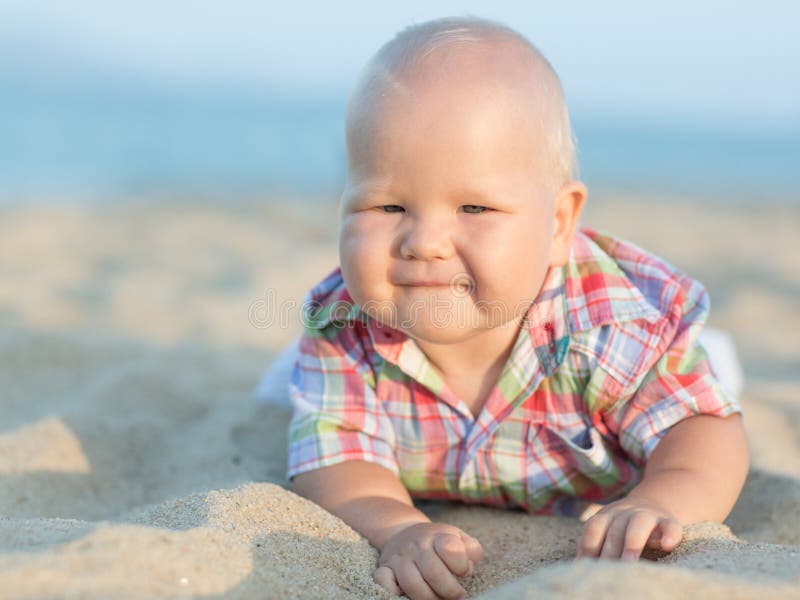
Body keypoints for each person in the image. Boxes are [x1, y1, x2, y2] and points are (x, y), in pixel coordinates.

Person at [281, 16, 749, 600]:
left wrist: (661, 500)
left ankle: (711, 357)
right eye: (388, 206)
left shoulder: (617, 329)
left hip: (631, 384)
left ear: (557, 224)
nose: (423, 243)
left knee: (706, 384)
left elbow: (701, 431)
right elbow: (336, 459)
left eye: (474, 208)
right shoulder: (344, 328)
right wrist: (397, 526)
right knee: (292, 388)